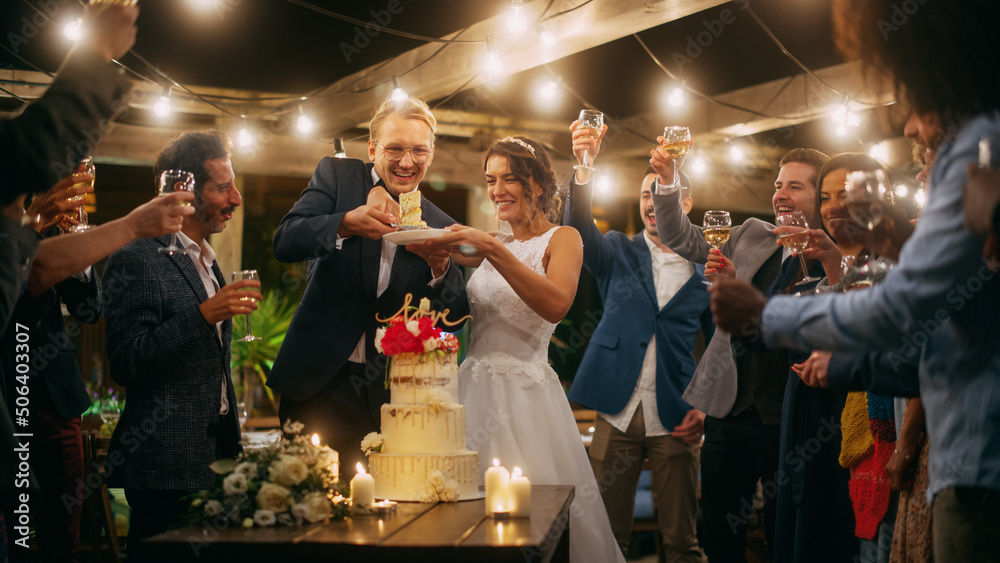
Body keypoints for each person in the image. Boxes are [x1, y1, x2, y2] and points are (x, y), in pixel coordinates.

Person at [710, 1, 1000, 560]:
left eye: (915, 96)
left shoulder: (977, 149)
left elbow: (906, 308)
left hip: (977, 461)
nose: (910, 123)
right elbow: (962, 308)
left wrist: (765, 314)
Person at [423, 135, 624, 563]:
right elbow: (461, 310)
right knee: (464, 520)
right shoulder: (496, 244)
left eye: (509, 179)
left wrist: (493, 248)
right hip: (470, 391)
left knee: (533, 523)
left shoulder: (562, 238)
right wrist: (440, 266)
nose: (496, 190)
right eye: (491, 180)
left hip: (526, 400)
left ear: (537, 184)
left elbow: (554, 304)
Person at [268, 97, 469, 478]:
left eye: (418, 151)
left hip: (391, 396)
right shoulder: (337, 177)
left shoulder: (440, 223)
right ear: (373, 149)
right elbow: (286, 241)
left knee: (382, 512)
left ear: (431, 155)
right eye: (395, 148)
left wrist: (440, 267)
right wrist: (344, 223)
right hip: (318, 383)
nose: (407, 161)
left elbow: (455, 315)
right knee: (309, 508)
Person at [650, 145, 828, 562]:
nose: (781, 195)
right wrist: (668, 181)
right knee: (717, 530)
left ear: (821, 199)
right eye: (778, 186)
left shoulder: (833, 258)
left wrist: (738, 289)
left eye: (795, 187)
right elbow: (679, 235)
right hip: (728, 411)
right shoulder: (750, 234)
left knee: (783, 531)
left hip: (791, 414)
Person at [102, 130, 260, 561]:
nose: (237, 198)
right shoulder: (134, 258)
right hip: (163, 466)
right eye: (223, 187)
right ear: (182, 191)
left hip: (215, 460)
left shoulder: (208, 261)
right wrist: (205, 314)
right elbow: (126, 361)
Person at [563, 121, 713, 560]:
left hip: (678, 415)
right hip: (615, 409)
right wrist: (584, 166)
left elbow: (721, 347)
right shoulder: (615, 251)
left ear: (683, 202)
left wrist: (704, 406)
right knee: (608, 538)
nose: (650, 203)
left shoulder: (706, 268)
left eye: (659, 194)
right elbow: (575, 228)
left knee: (681, 542)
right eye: (645, 194)